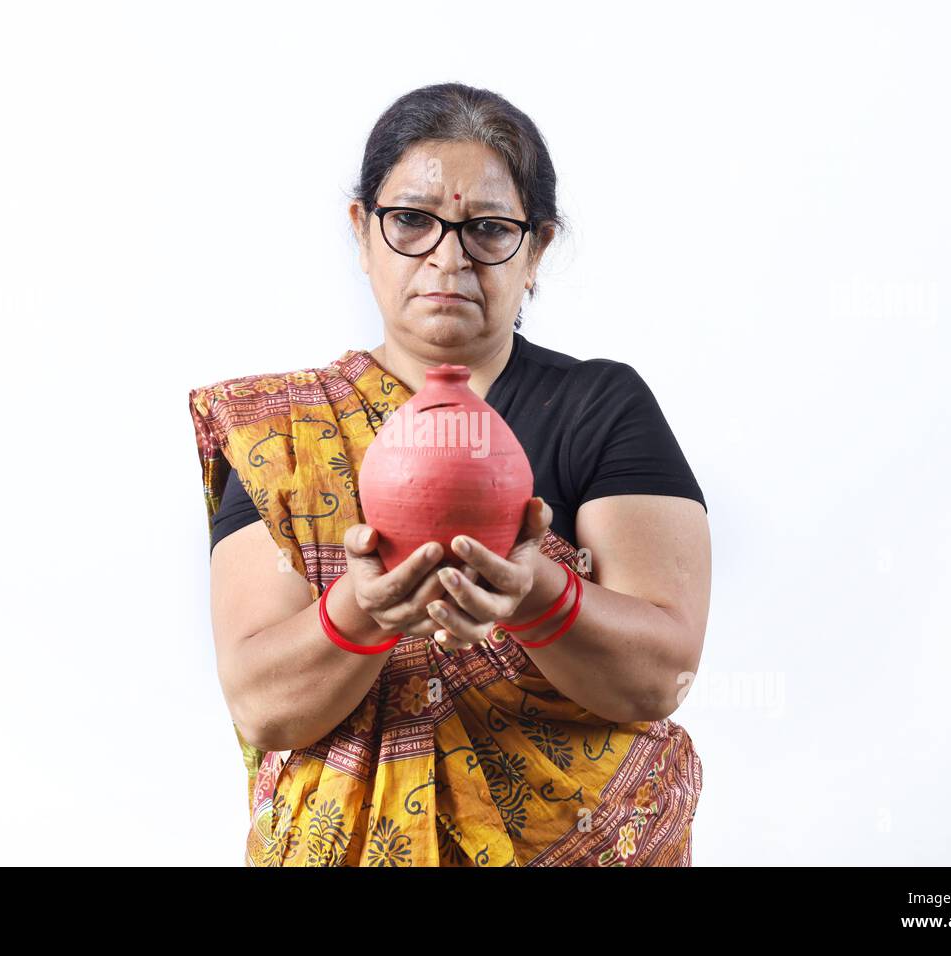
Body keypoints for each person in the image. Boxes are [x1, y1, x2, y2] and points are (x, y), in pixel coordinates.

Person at [187, 82, 711, 866]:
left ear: (536, 249)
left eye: (489, 229)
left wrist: (538, 595)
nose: (448, 257)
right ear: (363, 232)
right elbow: (262, 704)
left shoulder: (600, 406)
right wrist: (361, 612)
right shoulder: (286, 437)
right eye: (412, 221)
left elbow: (659, 676)